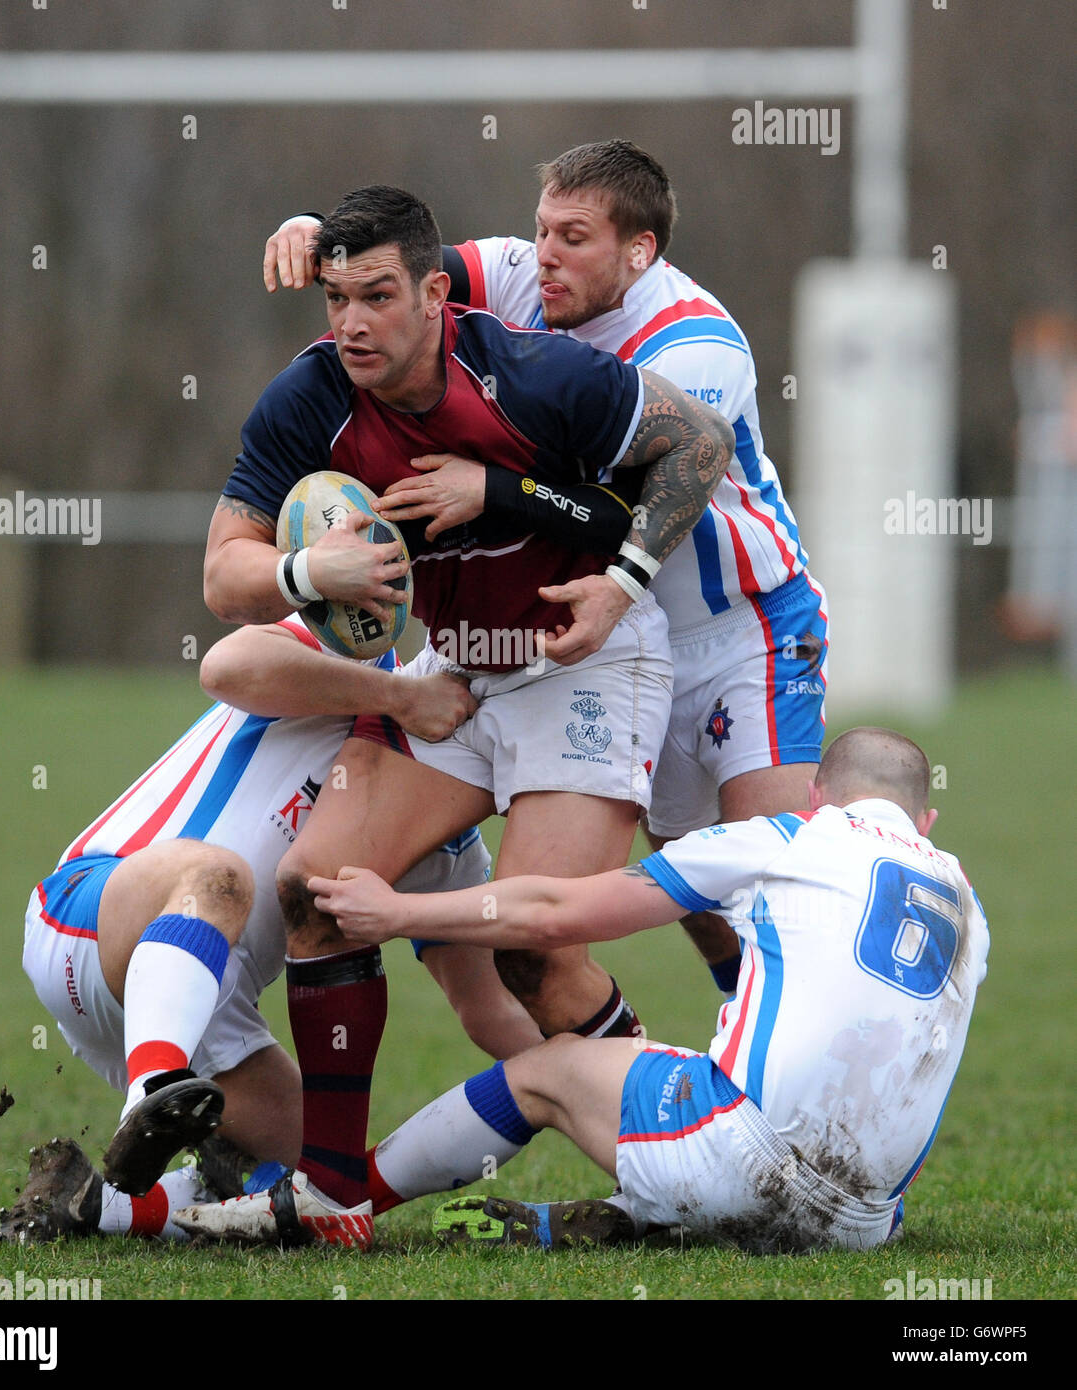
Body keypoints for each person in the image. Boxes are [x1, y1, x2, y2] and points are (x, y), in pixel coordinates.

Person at [205, 183, 734, 1211]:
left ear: (435, 292)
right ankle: (328, 1198)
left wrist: (578, 549)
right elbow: (224, 576)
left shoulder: (535, 373)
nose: (351, 323)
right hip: (452, 675)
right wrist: (310, 577)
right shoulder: (308, 397)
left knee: (535, 956)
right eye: (335, 299)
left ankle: (693, 1151)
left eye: (377, 295)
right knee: (314, 894)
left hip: (583, 667)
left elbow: (699, 444)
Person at [264, 141, 829, 999]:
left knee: (775, 877)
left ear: (639, 253)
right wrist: (316, 235)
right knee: (696, 889)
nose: (546, 257)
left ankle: (814, 1072)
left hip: (739, 627)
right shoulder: (520, 272)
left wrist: (491, 487)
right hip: (613, 622)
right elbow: (399, 273)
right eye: (541, 231)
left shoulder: (693, 347)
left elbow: (608, 506)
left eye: (575, 237)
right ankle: (744, 1051)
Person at [176, 728, 987, 1254]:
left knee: (551, 1068)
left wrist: (399, 911)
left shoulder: (789, 836)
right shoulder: (967, 904)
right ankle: (665, 1218)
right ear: (928, 822)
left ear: (817, 797)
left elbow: (555, 909)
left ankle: (337, 1204)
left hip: (742, 1158)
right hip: (869, 1222)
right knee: (681, 1073)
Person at [0, 615, 515, 1249]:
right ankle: (153, 1093)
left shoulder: (442, 833)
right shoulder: (348, 654)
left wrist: (597, 1065)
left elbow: (488, 1006)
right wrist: (399, 696)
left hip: (205, 1018)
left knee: (322, 1172)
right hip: (91, 920)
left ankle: (96, 1206)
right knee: (220, 876)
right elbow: (226, 665)